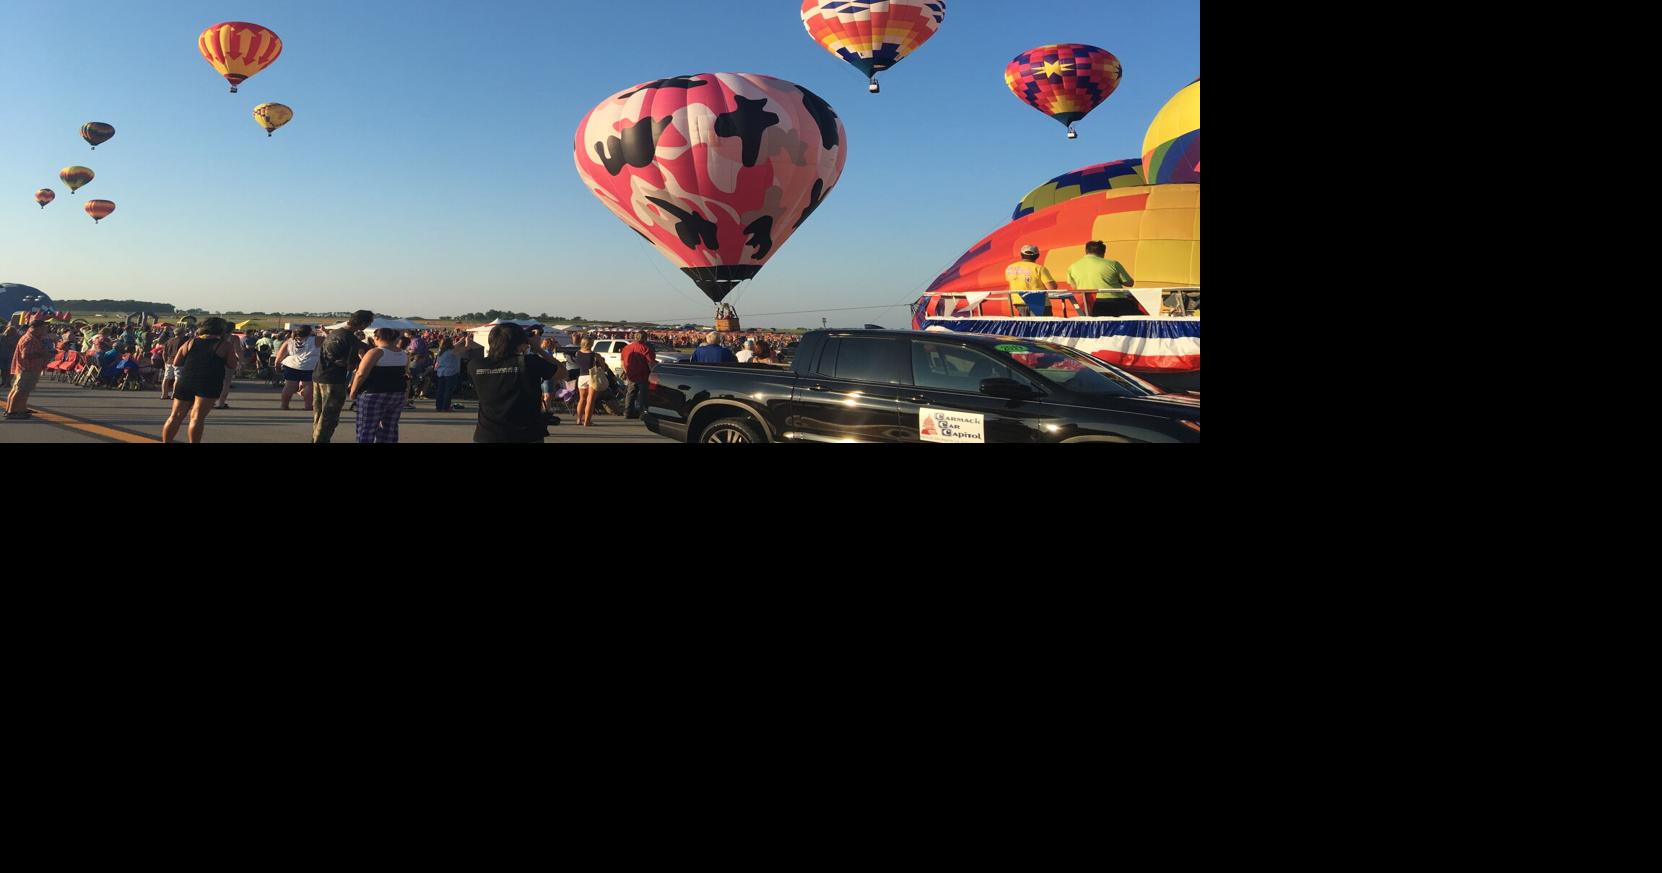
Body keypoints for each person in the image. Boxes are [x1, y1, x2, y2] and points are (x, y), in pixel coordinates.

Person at [468, 322, 565, 443]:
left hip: (486, 435)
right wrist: (538, 349)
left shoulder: (475, 365)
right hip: (525, 434)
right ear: (520, 344)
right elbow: (562, 373)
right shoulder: (530, 362)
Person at [162, 318, 239, 443]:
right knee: (197, 417)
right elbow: (232, 365)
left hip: (186, 380)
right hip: (209, 381)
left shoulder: (191, 342)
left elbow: (177, 362)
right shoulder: (225, 345)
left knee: (175, 416)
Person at [314, 310, 373, 444]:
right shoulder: (351, 339)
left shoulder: (334, 333)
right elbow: (349, 366)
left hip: (318, 375)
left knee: (319, 415)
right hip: (334, 380)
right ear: (363, 323)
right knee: (329, 417)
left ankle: (315, 439)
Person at [349, 328, 409, 444]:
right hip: (397, 394)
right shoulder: (403, 353)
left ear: (377, 338)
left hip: (374, 393)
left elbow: (361, 373)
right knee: (389, 428)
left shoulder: (376, 352)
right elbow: (406, 375)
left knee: (366, 428)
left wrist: (353, 391)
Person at [5, 321, 54, 420]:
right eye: (43, 328)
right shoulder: (30, 339)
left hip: (27, 368)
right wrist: (43, 354)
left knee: (20, 390)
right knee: (20, 390)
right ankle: (12, 411)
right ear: (36, 328)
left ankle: (20, 409)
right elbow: (26, 355)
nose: (45, 331)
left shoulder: (30, 337)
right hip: (28, 368)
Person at [275, 325, 320, 411]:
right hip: (310, 366)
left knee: (289, 386)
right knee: (308, 386)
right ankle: (308, 406)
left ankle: (284, 405)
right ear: (310, 332)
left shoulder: (289, 341)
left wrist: (277, 365)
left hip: (292, 365)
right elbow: (329, 338)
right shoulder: (316, 340)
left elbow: (280, 355)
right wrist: (324, 332)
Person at [1066, 241, 1135, 291]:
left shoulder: (1072, 267)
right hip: (1113, 302)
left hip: (1088, 304)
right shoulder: (1113, 264)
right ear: (1103, 252)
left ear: (1086, 251)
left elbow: (1074, 288)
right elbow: (1129, 283)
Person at [620, 331, 657, 419]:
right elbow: (651, 363)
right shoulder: (645, 348)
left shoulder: (626, 348)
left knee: (630, 393)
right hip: (643, 374)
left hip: (631, 375)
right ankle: (642, 413)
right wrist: (654, 373)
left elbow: (622, 362)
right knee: (643, 394)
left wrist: (627, 371)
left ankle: (628, 412)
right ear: (644, 338)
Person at [572, 337, 604, 427]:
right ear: (590, 344)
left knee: (582, 399)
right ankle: (587, 421)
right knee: (590, 400)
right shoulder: (594, 355)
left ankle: (578, 419)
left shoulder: (577, 353)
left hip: (581, 376)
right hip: (591, 376)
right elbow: (603, 365)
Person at [215, 328, 246, 410]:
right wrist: (241, 362)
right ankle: (221, 403)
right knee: (226, 383)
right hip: (228, 361)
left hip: (215, 361)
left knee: (214, 382)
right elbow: (237, 350)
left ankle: (211, 401)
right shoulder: (234, 338)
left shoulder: (216, 337)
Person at [433, 338, 465, 412]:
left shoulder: (441, 351)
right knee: (448, 391)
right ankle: (445, 407)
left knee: (440, 390)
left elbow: (453, 347)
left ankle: (439, 406)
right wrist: (467, 343)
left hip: (441, 372)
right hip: (450, 372)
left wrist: (459, 342)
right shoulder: (452, 352)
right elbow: (464, 350)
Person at [0, 325, 19, 394]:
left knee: (8, 370)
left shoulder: (16, 337)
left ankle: (7, 382)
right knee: (4, 370)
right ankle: (5, 382)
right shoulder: (2, 337)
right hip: (5, 355)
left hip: (10, 356)